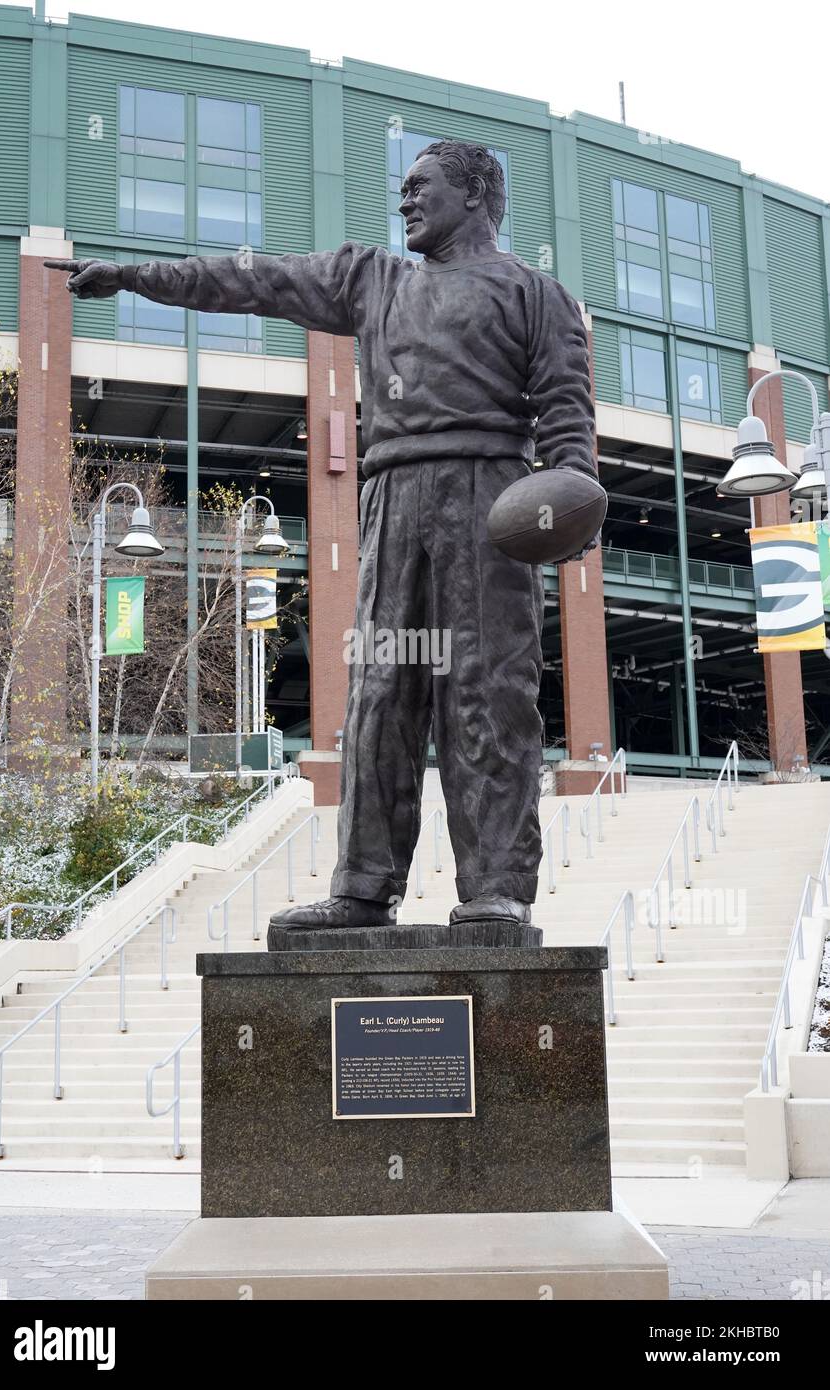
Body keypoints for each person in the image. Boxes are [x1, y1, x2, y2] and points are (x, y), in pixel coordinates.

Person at [48, 140, 597, 931]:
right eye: (401, 189)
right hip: (392, 496)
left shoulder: (536, 295)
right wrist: (135, 276)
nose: (404, 200)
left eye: (420, 187)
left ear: (477, 195)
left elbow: (566, 415)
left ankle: (495, 892)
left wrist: (566, 506)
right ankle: (363, 889)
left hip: (490, 500)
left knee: (489, 697)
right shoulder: (371, 279)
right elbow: (252, 279)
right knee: (380, 696)